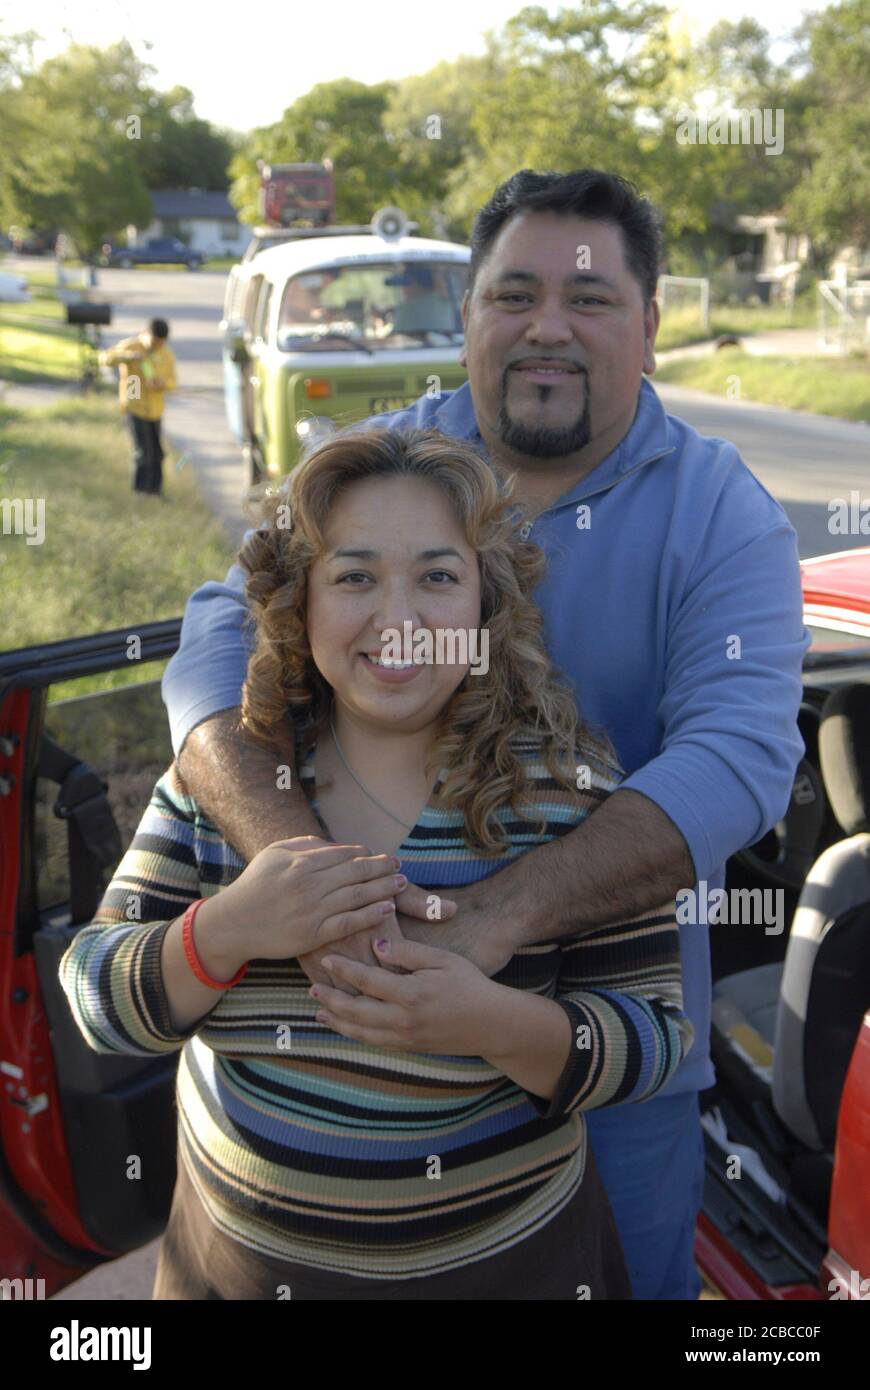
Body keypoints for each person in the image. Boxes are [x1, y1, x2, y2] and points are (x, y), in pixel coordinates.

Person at [158, 169, 810, 1299]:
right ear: (467, 316)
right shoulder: (372, 462)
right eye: (514, 293)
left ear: (651, 325)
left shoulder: (722, 511)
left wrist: (493, 925)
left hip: (607, 1057)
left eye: (592, 298)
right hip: (320, 1065)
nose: (548, 325)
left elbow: (740, 759)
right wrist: (292, 868)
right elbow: (217, 641)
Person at [59, 426, 694, 1300]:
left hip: (512, 1271)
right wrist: (232, 926)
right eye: (354, 576)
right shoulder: (224, 786)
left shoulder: (567, 793)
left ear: (486, 604)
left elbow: (654, 1039)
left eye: (438, 576)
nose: (398, 621)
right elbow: (96, 998)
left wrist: (490, 1025)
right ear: (298, 603)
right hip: (239, 1271)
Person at [100, 317, 177, 495]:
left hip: (155, 409)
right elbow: (105, 358)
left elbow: (174, 382)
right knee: (143, 452)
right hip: (134, 405)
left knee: (158, 453)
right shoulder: (132, 346)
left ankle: (155, 490)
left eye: (160, 343)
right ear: (146, 333)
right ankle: (140, 490)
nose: (157, 346)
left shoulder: (166, 354)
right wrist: (128, 357)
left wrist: (163, 383)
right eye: (154, 342)